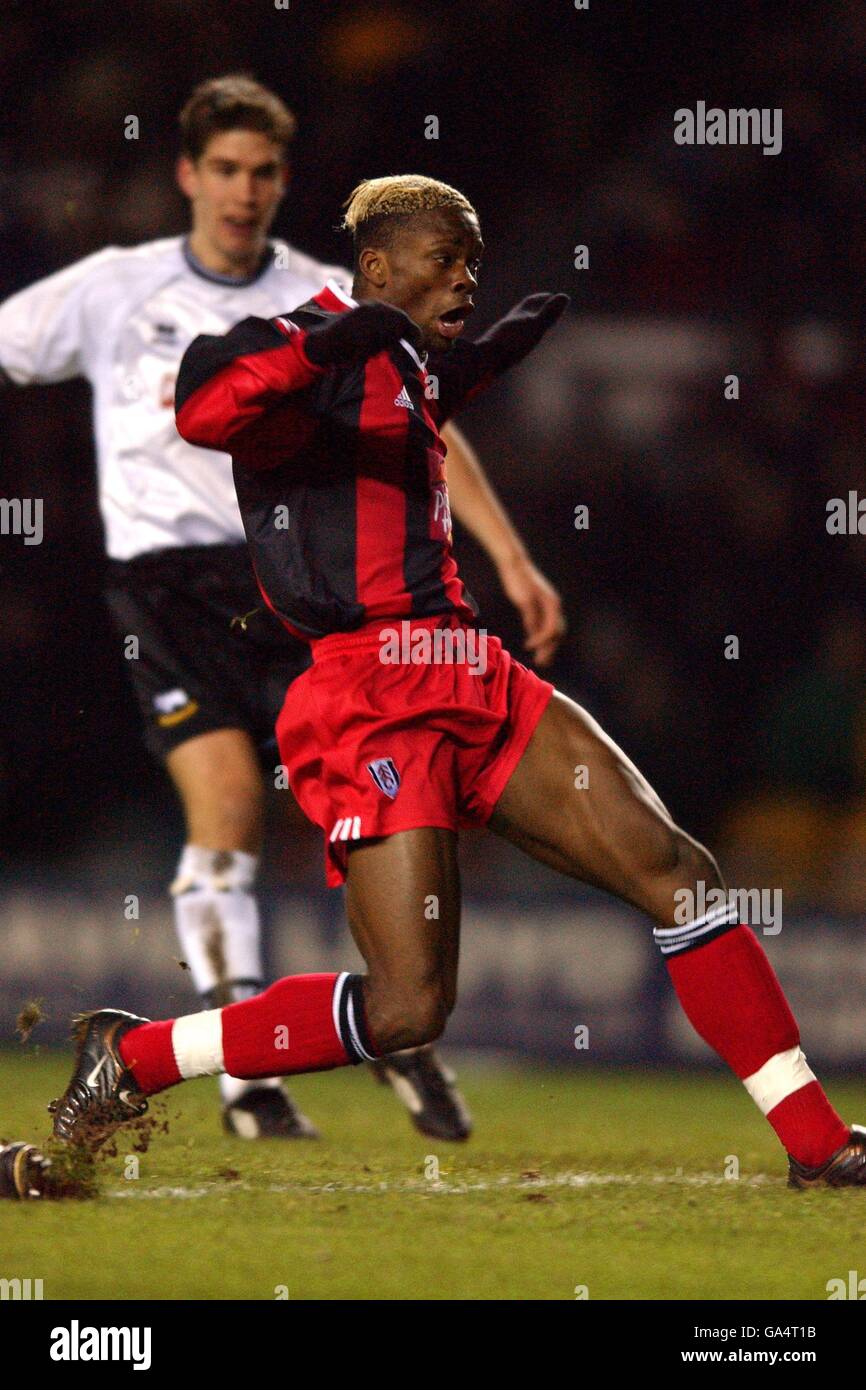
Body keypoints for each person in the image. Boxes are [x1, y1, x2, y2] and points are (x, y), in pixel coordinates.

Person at [48, 173, 866, 1190]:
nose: (466, 279)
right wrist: (326, 344)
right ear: (379, 265)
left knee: (679, 873)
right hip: (365, 696)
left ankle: (817, 1144)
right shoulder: (291, 345)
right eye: (447, 260)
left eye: (473, 261)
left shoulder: (394, 358)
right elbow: (208, 405)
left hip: (469, 669)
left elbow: (406, 402)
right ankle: (133, 1056)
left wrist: (483, 359)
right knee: (405, 1010)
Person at [0, 78, 566, 1142]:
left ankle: (388, 1026)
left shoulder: (334, 293)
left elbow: (424, 432)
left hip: (302, 595)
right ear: (186, 175)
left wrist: (512, 557)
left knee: (370, 824)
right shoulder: (111, 287)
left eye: (262, 172)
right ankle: (241, 1071)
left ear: (282, 182)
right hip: (164, 588)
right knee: (223, 809)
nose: (243, 190)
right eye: (224, 168)